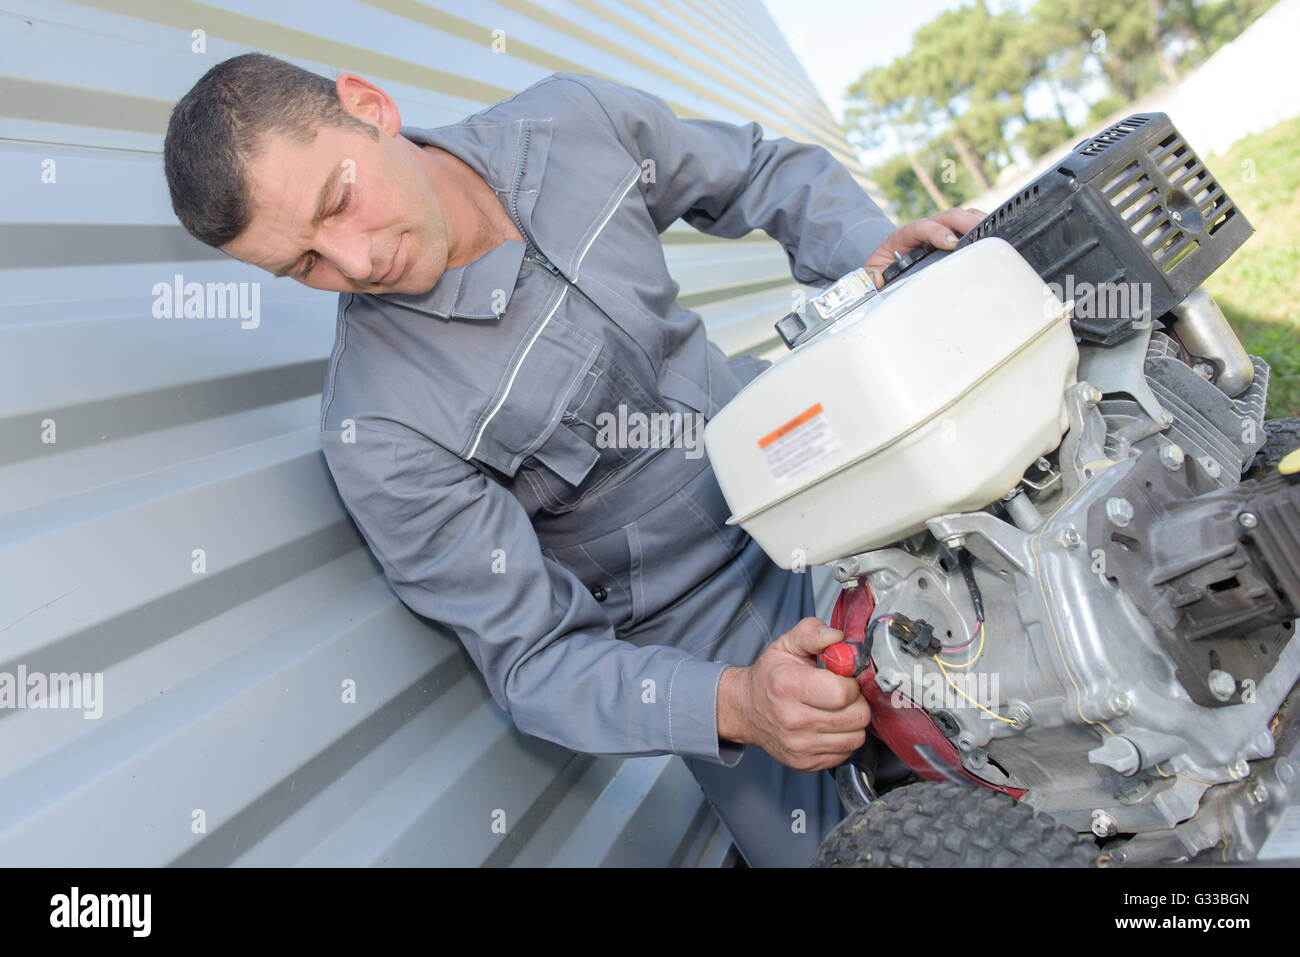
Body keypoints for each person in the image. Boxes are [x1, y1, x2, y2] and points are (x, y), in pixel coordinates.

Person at [163, 53, 983, 866]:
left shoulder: (572, 123)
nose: (356, 263)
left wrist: (876, 253)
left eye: (339, 201)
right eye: (302, 265)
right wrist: (738, 704)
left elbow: (757, 172)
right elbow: (535, 663)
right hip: (711, 640)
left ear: (369, 106)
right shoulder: (378, 429)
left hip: (821, 467)